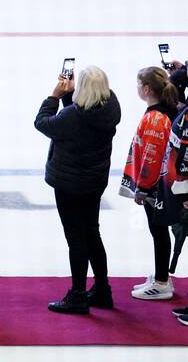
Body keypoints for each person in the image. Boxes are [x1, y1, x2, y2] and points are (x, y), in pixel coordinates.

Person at [34, 65, 122, 314]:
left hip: (69, 184)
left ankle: (78, 295)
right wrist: (67, 95)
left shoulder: (73, 117)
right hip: (94, 181)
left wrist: (54, 96)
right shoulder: (110, 107)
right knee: (92, 231)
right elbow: (74, 121)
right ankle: (102, 289)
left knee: (76, 239)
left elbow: (43, 123)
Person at [119, 67, 181, 302]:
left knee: (158, 231)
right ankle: (161, 275)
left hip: (156, 187)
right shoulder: (163, 111)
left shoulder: (155, 118)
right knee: (159, 230)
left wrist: (143, 189)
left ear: (146, 89)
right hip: (161, 184)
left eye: (138, 84)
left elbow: (151, 158)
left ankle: (162, 282)